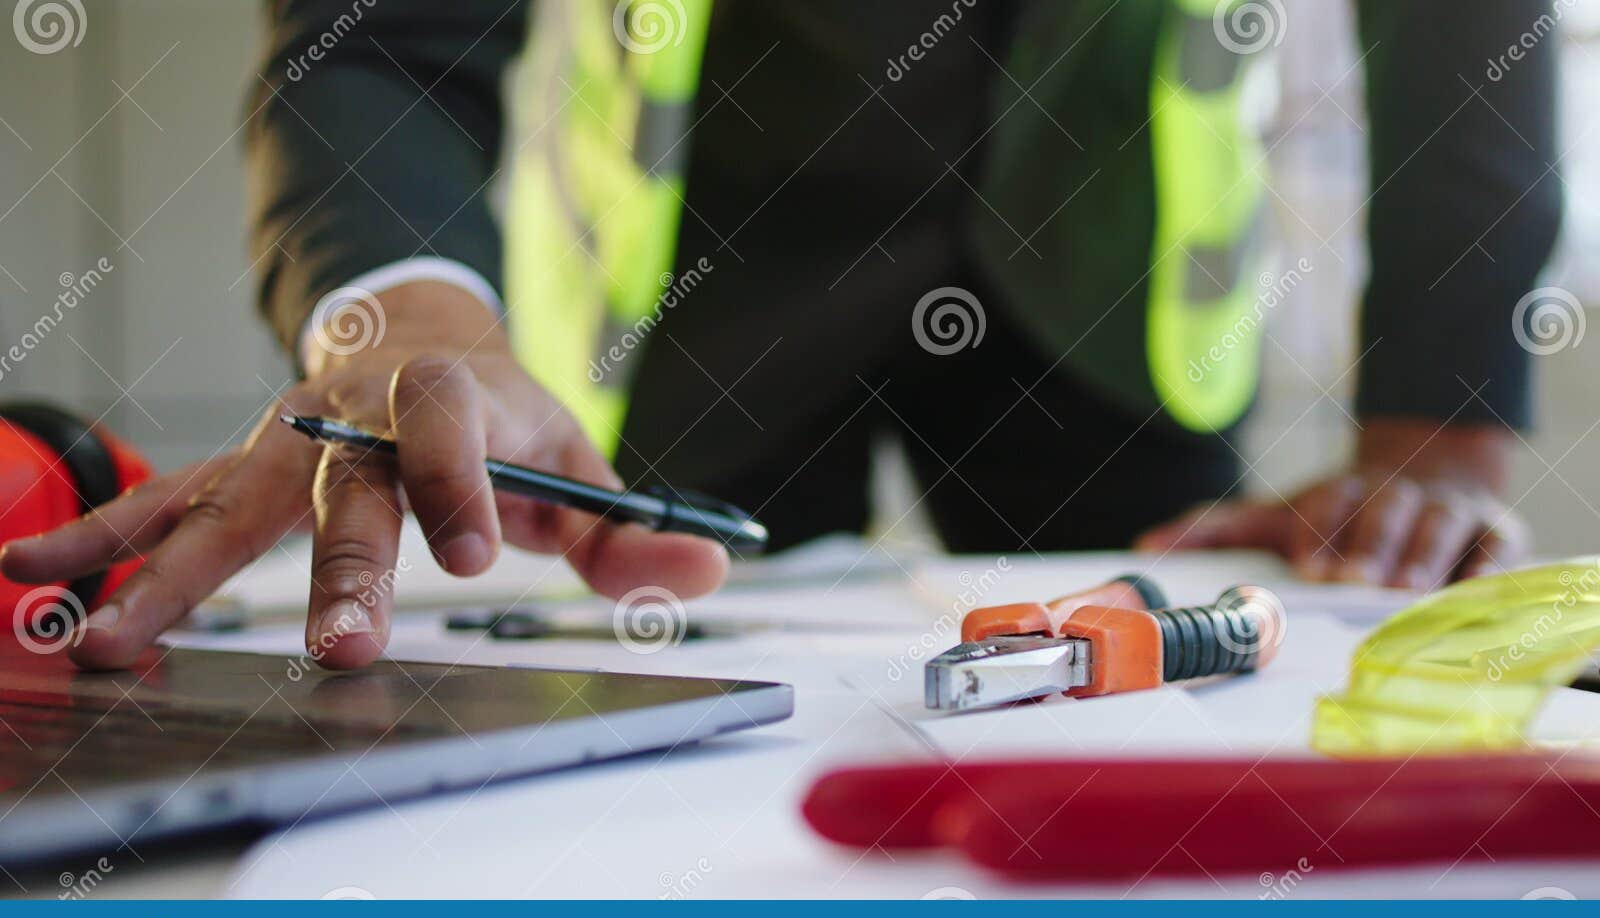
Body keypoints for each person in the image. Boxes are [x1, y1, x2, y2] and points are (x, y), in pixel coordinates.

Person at [0, 0, 1558, 671]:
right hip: (705, 306)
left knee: (1171, 773)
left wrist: (1434, 428)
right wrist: (412, 314)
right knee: (659, 766)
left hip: (1112, 307)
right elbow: (377, 38)